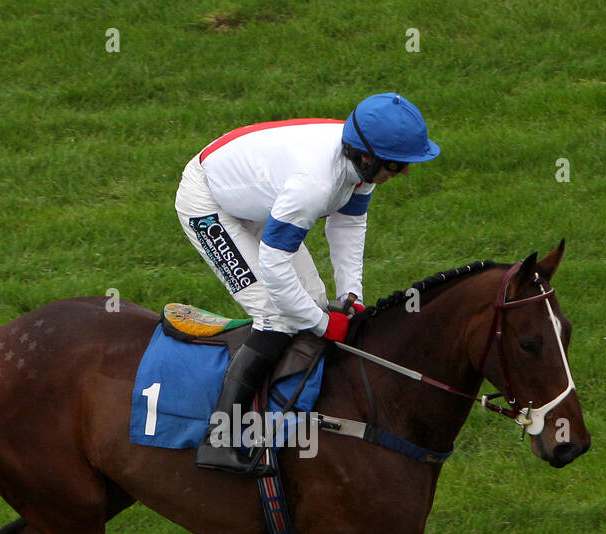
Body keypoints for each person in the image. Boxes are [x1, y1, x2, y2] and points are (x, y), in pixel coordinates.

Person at [175, 92, 441, 475]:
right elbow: (274, 264)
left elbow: (349, 223)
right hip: (209, 202)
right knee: (278, 316)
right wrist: (321, 325)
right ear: (367, 157)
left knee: (313, 303)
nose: (405, 173)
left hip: (260, 195)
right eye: (399, 165)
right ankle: (219, 440)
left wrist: (351, 296)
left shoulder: (361, 161)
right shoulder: (314, 184)